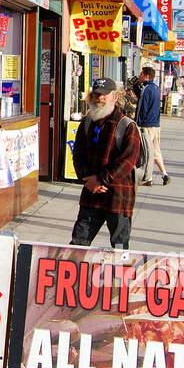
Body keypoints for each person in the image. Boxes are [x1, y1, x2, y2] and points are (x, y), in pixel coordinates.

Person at [70, 77, 142, 249]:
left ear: (115, 97)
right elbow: (77, 155)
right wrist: (88, 179)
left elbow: (126, 162)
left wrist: (100, 180)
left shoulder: (127, 126)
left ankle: (119, 276)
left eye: (104, 95)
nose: (99, 98)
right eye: (96, 94)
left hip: (118, 196)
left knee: (119, 248)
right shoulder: (87, 123)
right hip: (91, 195)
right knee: (77, 246)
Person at [136, 65, 170, 186]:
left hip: (147, 125)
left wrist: (138, 123)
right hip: (156, 125)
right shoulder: (156, 88)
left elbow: (142, 107)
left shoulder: (146, 89)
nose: (139, 76)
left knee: (146, 152)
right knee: (156, 151)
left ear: (147, 76)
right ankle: (164, 174)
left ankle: (148, 178)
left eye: (141, 74)